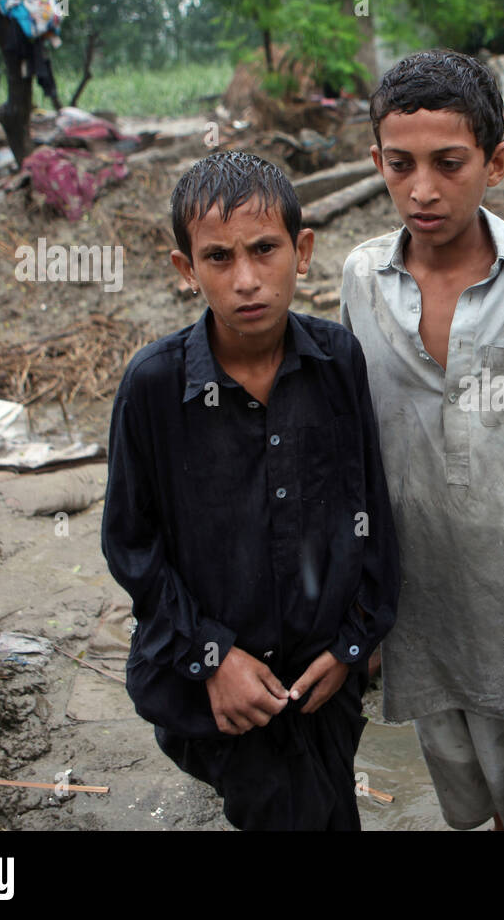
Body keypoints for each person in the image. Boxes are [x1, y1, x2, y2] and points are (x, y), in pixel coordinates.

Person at [339, 50, 504, 831]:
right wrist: (363, 586)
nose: (422, 189)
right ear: (377, 161)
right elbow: (356, 437)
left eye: (448, 163)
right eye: (401, 164)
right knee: (465, 778)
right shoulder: (362, 279)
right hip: (422, 589)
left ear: (496, 162)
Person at [101, 150, 400, 830]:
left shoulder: (337, 363)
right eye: (218, 258)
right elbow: (130, 543)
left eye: (265, 250)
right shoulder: (153, 387)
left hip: (320, 676)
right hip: (215, 682)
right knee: (292, 810)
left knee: (330, 808)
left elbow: (369, 512)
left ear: (303, 251)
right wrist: (209, 656)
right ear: (186, 270)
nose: (246, 281)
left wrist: (352, 646)